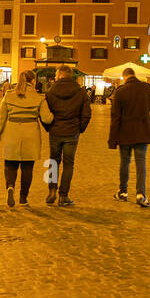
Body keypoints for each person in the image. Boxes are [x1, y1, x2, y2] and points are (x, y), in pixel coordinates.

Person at [0, 70, 51, 207]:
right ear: (33, 81)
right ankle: (23, 198)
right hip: (31, 135)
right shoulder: (39, 97)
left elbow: (0, 119)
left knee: (10, 165)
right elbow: (47, 119)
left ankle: (10, 187)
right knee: (27, 168)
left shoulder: (9, 95)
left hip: (12, 132)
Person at [108, 67, 150, 208]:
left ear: (124, 77)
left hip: (124, 134)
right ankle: (140, 194)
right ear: (134, 75)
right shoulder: (147, 89)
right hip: (142, 133)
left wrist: (112, 139)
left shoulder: (120, 92)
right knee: (141, 163)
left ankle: (123, 192)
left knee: (124, 162)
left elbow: (115, 118)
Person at [43, 64, 92, 206]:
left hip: (55, 131)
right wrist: (80, 128)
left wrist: (49, 127)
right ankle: (63, 196)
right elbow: (87, 113)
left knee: (53, 161)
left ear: (59, 75)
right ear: (70, 75)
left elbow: (44, 113)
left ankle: (51, 190)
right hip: (72, 131)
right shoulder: (80, 91)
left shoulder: (51, 91)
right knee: (68, 164)